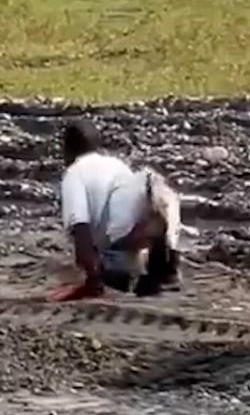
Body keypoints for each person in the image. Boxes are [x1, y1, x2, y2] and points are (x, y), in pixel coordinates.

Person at [54, 120, 182, 301]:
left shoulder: (74, 173)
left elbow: (80, 226)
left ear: (67, 151)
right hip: (153, 229)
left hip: (123, 240)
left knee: (105, 269)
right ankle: (164, 276)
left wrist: (92, 280)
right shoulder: (117, 165)